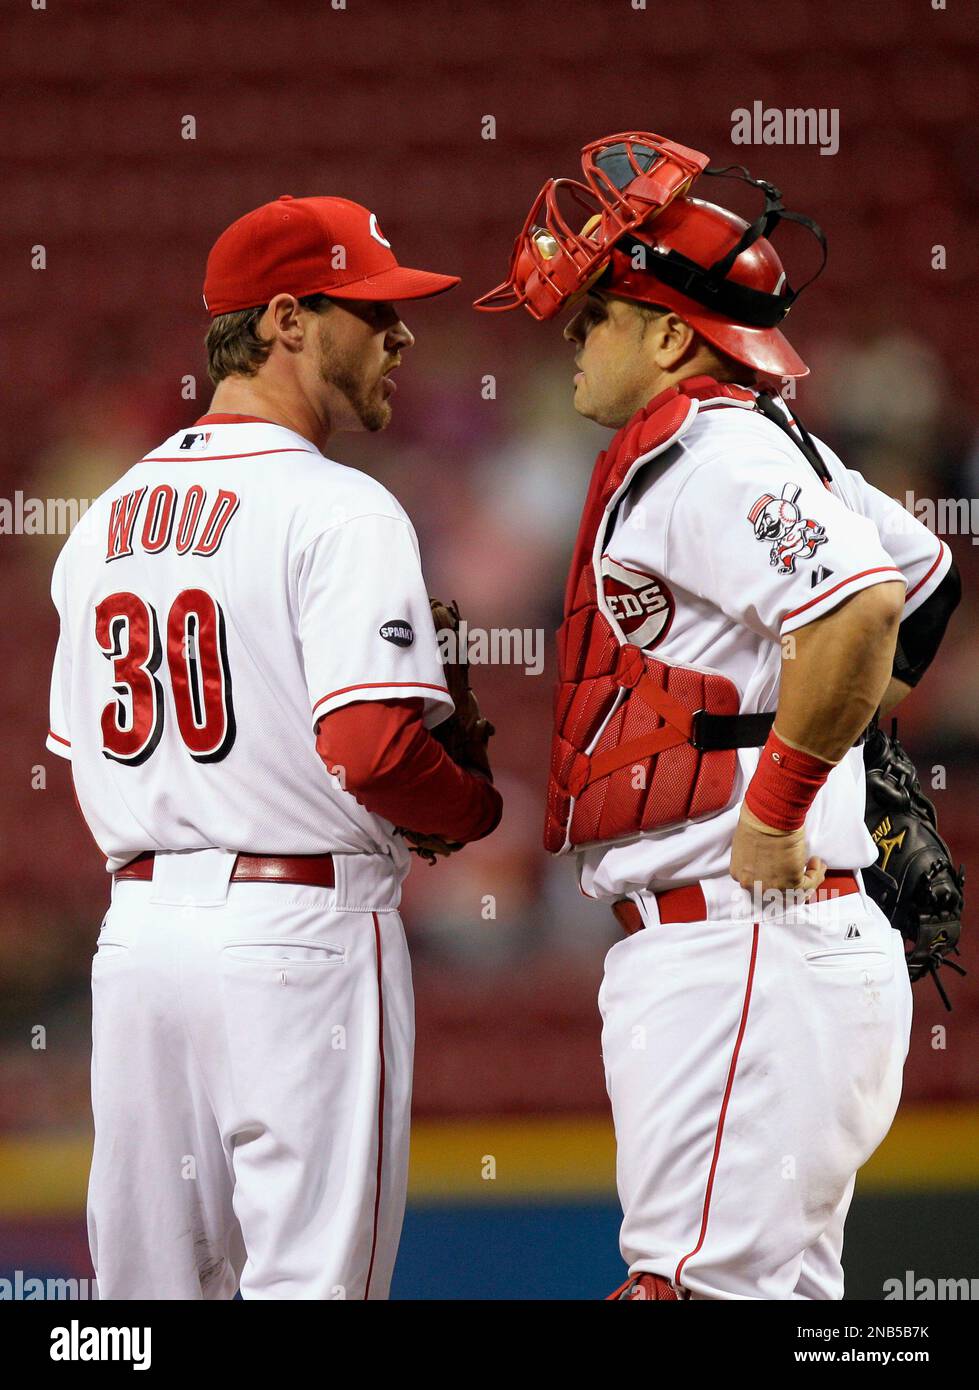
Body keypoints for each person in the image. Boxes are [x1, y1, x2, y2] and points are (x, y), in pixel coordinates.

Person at [476, 132, 960, 1299]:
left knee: (682, 1292)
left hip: (743, 937)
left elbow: (863, 608)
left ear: (669, 332)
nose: (571, 341)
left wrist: (788, 796)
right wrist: (831, 750)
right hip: (757, 943)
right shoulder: (758, 441)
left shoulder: (712, 452)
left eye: (593, 314)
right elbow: (927, 578)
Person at [46, 194, 501, 1300]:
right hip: (300, 934)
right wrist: (474, 809)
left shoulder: (103, 517)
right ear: (288, 319)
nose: (400, 336)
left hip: (142, 938)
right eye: (373, 311)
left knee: (145, 1305)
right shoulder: (340, 508)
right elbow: (372, 750)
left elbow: (82, 754)